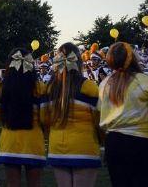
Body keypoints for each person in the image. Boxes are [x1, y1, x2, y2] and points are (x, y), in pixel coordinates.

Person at [99, 41, 148, 186]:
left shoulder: (104, 84)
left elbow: (103, 121)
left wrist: (107, 147)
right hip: (141, 144)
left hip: (113, 143)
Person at [47, 42, 101, 187]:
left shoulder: (50, 87)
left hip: (57, 148)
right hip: (84, 147)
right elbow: (99, 120)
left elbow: (45, 119)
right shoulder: (88, 86)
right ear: (78, 61)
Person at [0, 48, 46, 187]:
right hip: (34, 142)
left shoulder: (1, 87)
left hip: (9, 143)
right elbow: (45, 117)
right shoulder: (40, 87)